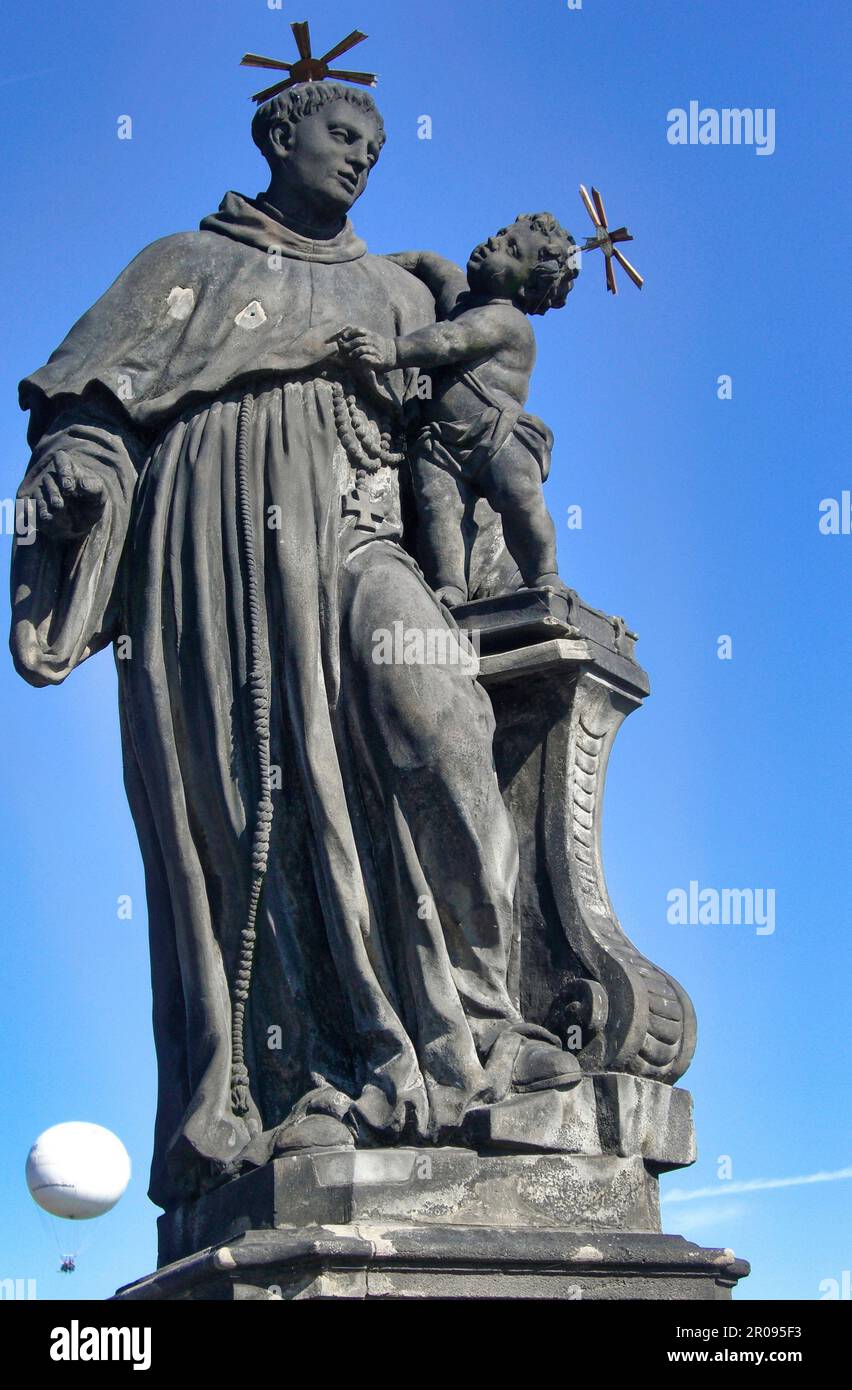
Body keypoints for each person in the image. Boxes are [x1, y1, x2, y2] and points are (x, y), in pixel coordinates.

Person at [11, 84, 575, 1210]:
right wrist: (77, 462)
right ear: (279, 136)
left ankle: (483, 1030)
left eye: (375, 145)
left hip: (362, 534)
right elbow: (89, 408)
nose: (360, 158)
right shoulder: (181, 266)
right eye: (340, 136)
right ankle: (298, 1074)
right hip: (216, 568)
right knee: (249, 806)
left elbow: (465, 427)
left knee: (446, 723)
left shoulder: (400, 285)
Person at [337, 215, 578, 607]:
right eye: (501, 234)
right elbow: (428, 262)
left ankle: (544, 574)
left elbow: (451, 339)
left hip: (497, 434)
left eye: (512, 250)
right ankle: (450, 586)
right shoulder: (462, 300)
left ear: (528, 285)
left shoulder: (507, 320)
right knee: (439, 510)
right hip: (439, 442)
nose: (494, 242)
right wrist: (370, 265)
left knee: (521, 502)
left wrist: (392, 351)